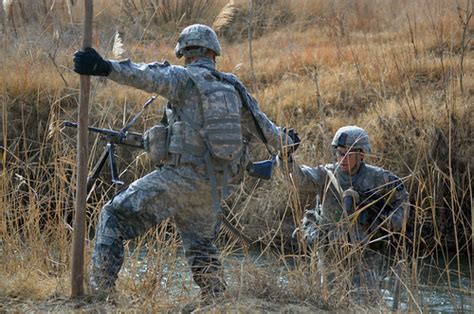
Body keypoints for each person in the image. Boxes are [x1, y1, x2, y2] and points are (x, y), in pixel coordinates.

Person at [73, 24, 295, 301]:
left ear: (183, 53)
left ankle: (100, 294)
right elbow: (267, 129)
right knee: (200, 245)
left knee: (113, 216)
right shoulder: (233, 87)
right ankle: (215, 299)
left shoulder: (182, 79)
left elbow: (145, 76)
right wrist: (288, 141)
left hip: (180, 180)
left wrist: (104, 67)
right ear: (213, 52)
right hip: (213, 187)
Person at [285, 125, 409, 302]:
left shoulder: (379, 178)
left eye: (348, 154)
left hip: (365, 255)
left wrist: (386, 223)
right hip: (331, 253)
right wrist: (286, 158)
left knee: (366, 303)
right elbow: (299, 179)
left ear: (361, 154)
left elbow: (402, 200)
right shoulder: (326, 174)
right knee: (329, 301)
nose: (342, 158)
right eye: (339, 153)